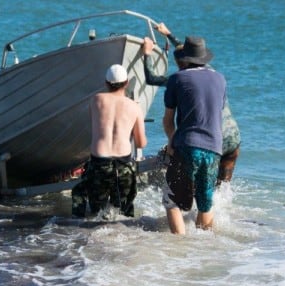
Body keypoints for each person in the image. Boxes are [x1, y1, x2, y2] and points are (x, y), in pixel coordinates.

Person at [143, 22, 240, 186]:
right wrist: (168, 34)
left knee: (195, 185)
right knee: (222, 186)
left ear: (182, 63)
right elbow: (190, 50)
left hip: (211, 139)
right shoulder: (212, 73)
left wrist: (147, 54)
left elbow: (151, 78)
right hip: (233, 137)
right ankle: (222, 211)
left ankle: (191, 208)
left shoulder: (180, 80)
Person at [160, 35, 227, 234]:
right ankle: (202, 249)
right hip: (214, 147)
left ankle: (180, 247)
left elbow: (168, 119)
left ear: (185, 59)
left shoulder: (177, 79)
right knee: (205, 202)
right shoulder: (220, 79)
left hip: (187, 145)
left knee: (171, 201)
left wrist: (171, 141)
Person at [72, 64, 148, 218]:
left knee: (92, 209)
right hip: (124, 166)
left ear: (106, 83)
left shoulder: (96, 100)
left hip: (100, 165)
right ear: (127, 83)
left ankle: (81, 232)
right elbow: (141, 143)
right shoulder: (134, 107)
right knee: (123, 212)